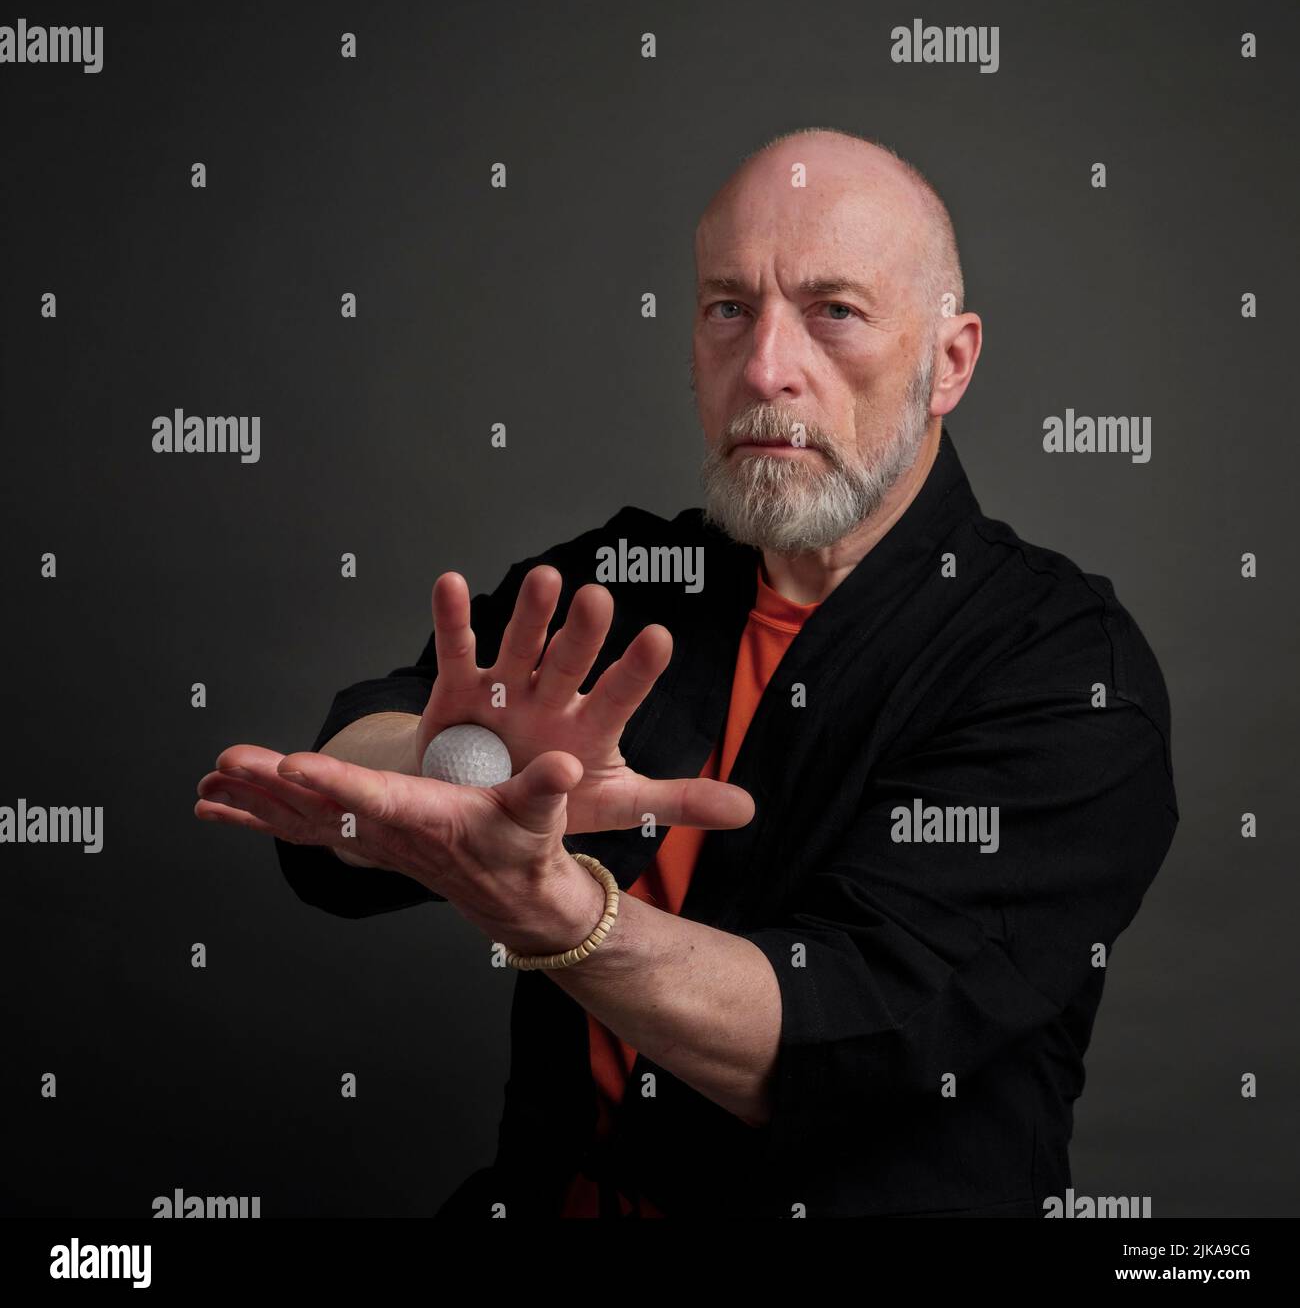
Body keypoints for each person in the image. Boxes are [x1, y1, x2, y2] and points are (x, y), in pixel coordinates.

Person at [195, 128, 1178, 1218]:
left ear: (949, 361)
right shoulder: (626, 582)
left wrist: (554, 908)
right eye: (727, 309)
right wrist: (441, 768)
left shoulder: (1063, 668)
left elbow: (836, 1029)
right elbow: (356, 770)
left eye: (833, 312)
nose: (765, 367)